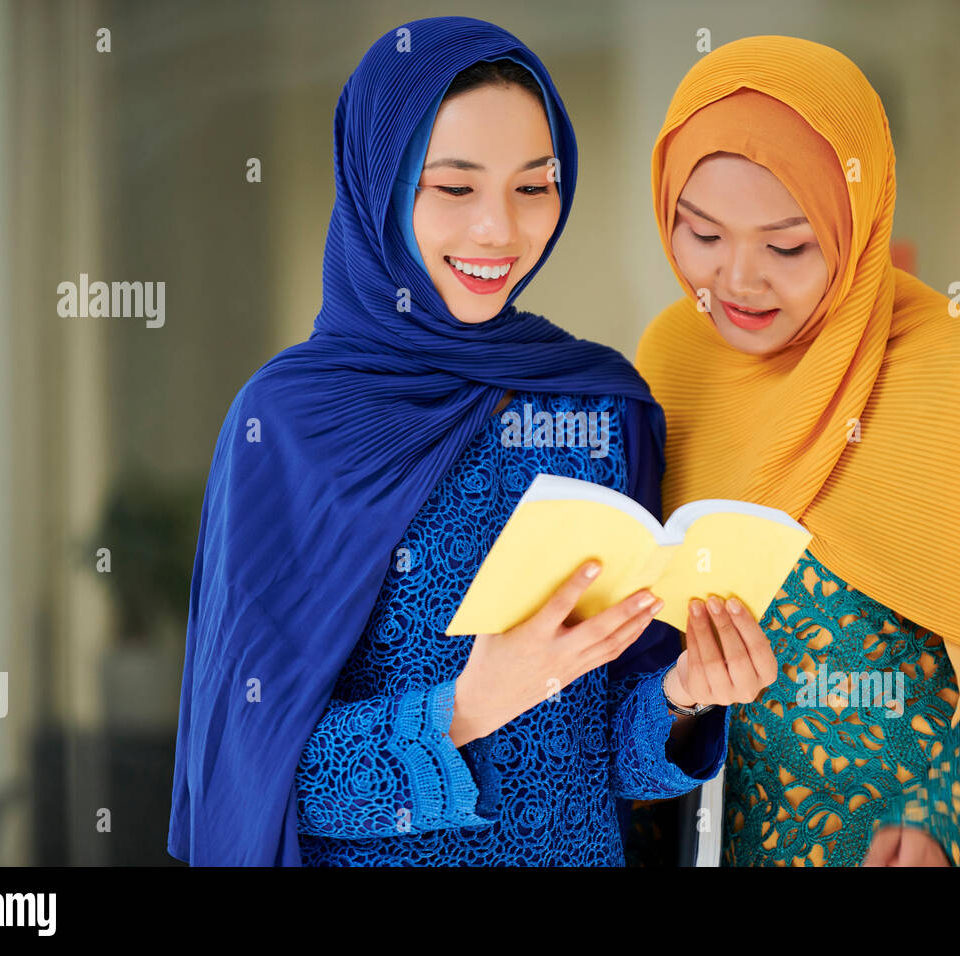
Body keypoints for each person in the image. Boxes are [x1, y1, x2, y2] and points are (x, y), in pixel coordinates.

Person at [167, 16, 776, 867]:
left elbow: (614, 755)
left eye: (534, 186)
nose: (499, 230)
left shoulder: (602, 403)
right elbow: (249, 783)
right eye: (454, 189)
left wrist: (684, 697)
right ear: (379, 187)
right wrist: (466, 707)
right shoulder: (291, 423)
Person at [633, 35, 960, 866]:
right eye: (701, 235)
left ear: (858, 220)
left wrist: (943, 825)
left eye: (788, 245)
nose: (737, 281)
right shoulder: (669, 362)